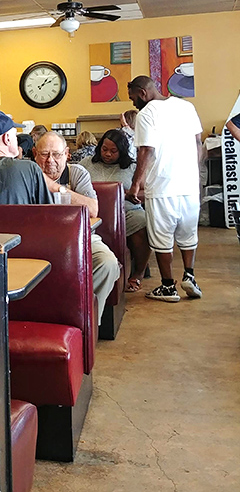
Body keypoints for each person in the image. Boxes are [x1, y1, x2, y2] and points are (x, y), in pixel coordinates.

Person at [126, 75, 203, 302]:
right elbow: (198, 142)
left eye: (133, 99)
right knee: (188, 234)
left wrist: (135, 184)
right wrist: (193, 172)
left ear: (142, 93)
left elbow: (146, 151)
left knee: (162, 238)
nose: (133, 104)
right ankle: (189, 276)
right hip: (189, 185)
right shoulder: (186, 106)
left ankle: (168, 287)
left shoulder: (146, 114)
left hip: (161, 186)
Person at [34, 131, 121, 322]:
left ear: (67, 154)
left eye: (56, 154)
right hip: (39, 242)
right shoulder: (26, 175)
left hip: (82, 237)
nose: (50, 161)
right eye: (44, 154)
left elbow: (93, 210)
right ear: (34, 154)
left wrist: (55, 187)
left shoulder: (77, 173)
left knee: (107, 263)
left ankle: (86, 321)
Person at [83, 129, 151, 292]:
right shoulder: (86, 163)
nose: (107, 154)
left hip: (126, 211)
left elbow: (145, 191)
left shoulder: (132, 168)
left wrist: (129, 195)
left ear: (122, 151)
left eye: (113, 151)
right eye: (104, 149)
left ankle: (138, 273)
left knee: (142, 222)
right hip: (95, 212)